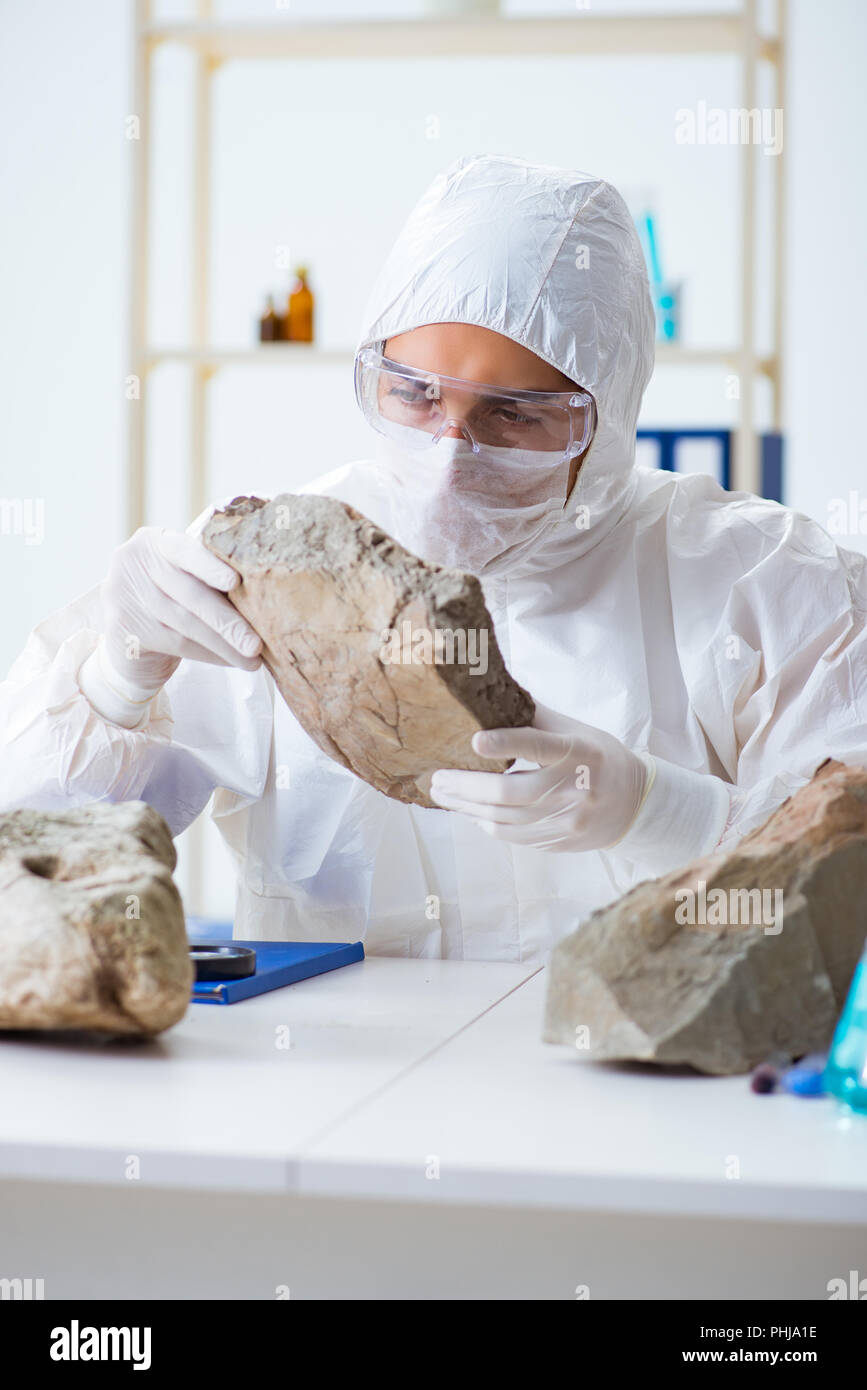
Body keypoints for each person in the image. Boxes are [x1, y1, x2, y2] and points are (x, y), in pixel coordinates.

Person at [2, 154, 865, 961]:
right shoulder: (273, 572)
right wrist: (114, 678)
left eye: (515, 414)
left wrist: (663, 809)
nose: (451, 454)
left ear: (603, 420)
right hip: (322, 1097)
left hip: (657, 1099)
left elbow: (849, 899)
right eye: (413, 394)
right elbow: (29, 879)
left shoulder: (759, 577)